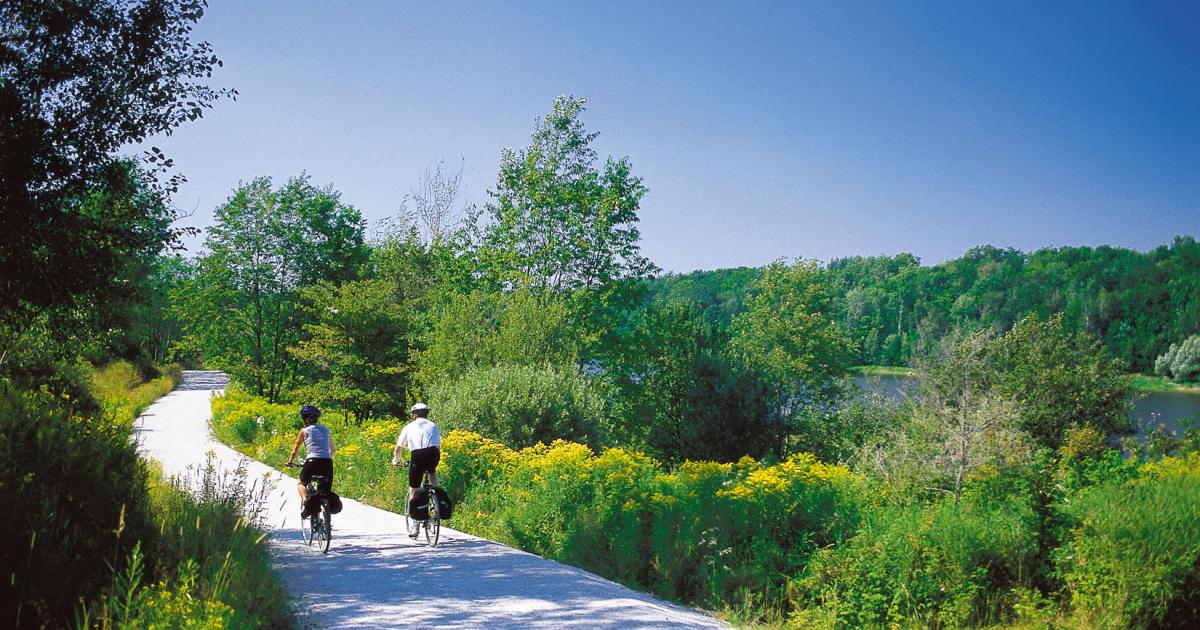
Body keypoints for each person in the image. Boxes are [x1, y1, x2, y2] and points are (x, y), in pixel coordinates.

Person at [392, 402, 441, 537]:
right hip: (433, 454)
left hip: (417, 455)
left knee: (413, 487)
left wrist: (397, 461)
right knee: (431, 471)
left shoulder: (409, 427)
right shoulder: (434, 426)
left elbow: (398, 449)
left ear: (414, 415)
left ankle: (414, 525)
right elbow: (437, 448)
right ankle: (437, 495)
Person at [286, 404, 336, 519]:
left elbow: (295, 450)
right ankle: (325, 511)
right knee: (325, 491)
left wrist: (290, 462)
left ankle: (307, 503)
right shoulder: (326, 430)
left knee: (301, 483)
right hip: (327, 462)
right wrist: (327, 459)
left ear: (304, 419)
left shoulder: (304, 431)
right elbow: (333, 450)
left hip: (312, 461)